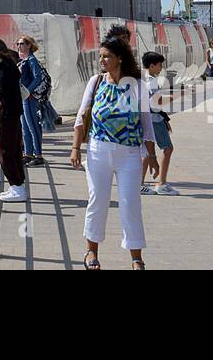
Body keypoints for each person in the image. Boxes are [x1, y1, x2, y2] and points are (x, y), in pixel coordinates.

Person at [70, 26, 158, 269]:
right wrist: (76, 148)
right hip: (98, 151)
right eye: (100, 56)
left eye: (106, 56)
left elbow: (146, 123)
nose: (102, 60)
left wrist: (151, 154)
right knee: (97, 201)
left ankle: (136, 257)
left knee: (130, 204)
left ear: (120, 57)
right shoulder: (95, 81)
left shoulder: (137, 85)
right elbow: (81, 117)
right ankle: (91, 252)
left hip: (129, 154)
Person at [0, 40, 28, 202]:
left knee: (4, 149)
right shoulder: (10, 65)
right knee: (14, 148)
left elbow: (2, 91)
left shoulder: (4, 67)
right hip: (14, 110)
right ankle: (18, 185)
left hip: (8, 112)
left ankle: (16, 186)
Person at [140, 52, 177, 195]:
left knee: (146, 152)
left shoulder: (141, 78)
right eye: (160, 65)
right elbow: (156, 103)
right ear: (152, 65)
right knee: (167, 149)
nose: (161, 68)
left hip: (146, 118)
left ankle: (141, 183)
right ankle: (161, 183)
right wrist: (176, 96)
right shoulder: (152, 81)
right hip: (154, 119)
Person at [18, 36, 46, 167]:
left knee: (32, 126)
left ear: (29, 45)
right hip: (25, 97)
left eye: (22, 43)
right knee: (25, 126)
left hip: (29, 98)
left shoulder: (32, 60)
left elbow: (38, 77)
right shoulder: (25, 60)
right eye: (18, 44)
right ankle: (28, 154)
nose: (19, 46)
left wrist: (28, 91)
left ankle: (38, 155)